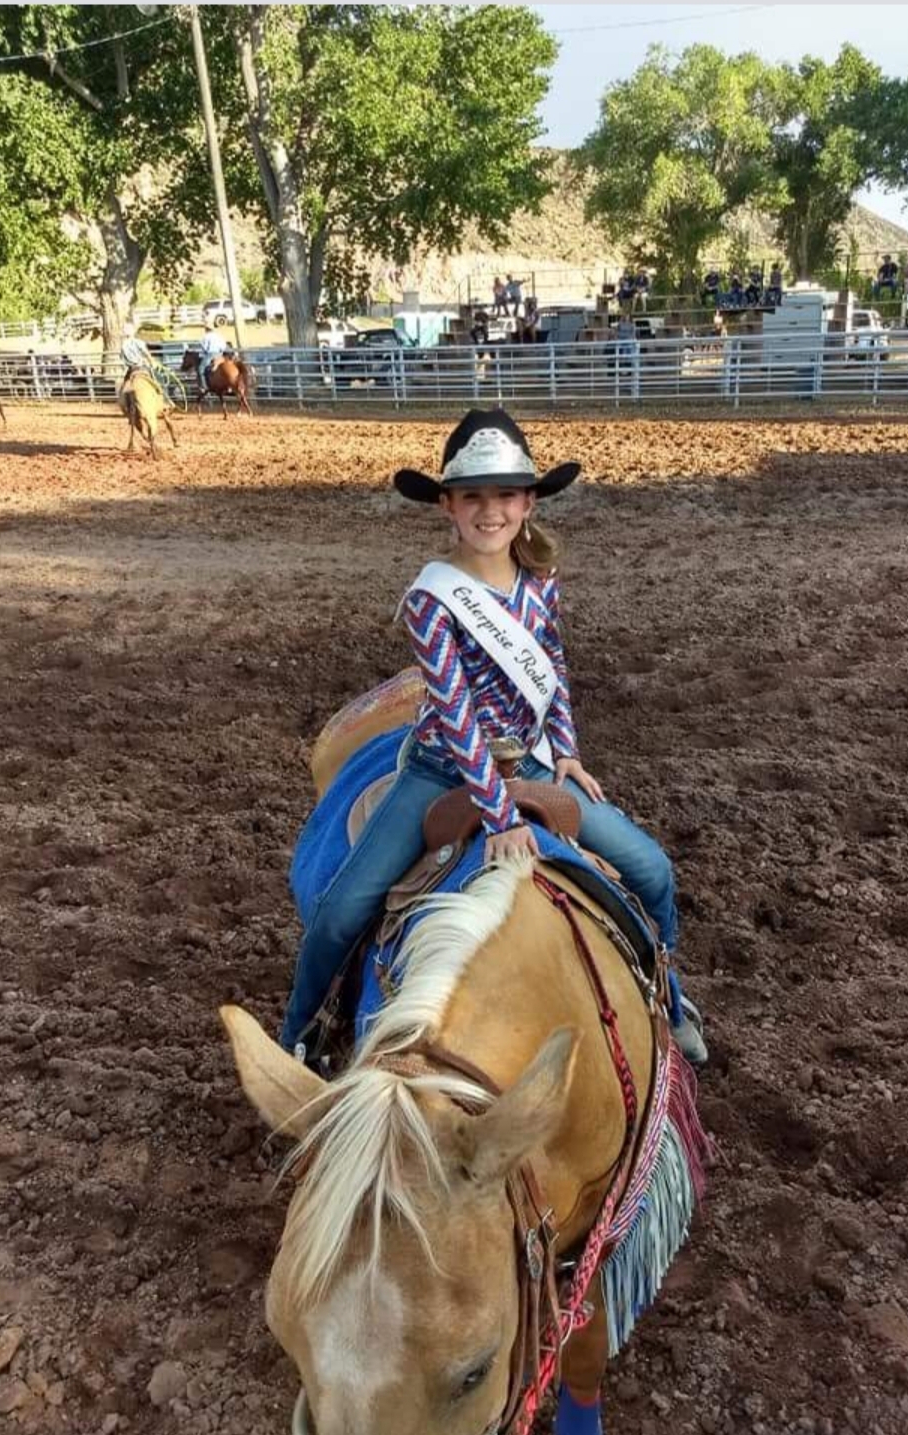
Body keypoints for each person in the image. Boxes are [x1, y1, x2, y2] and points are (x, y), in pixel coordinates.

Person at [281, 409, 708, 1066]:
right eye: (474, 496)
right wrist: (500, 813)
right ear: (447, 506)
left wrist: (565, 751)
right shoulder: (430, 600)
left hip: (533, 759)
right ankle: (297, 1040)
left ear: (528, 502)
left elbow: (554, 667)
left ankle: (669, 999)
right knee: (341, 913)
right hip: (441, 769)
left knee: (651, 867)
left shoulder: (539, 583)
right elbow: (453, 713)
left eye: (506, 494)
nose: (491, 511)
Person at [198, 317, 229, 391]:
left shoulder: (206, 337)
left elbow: (204, 347)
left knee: (201, 369)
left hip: (211, 355)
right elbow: (224, 346)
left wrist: (206, 352)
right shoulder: (219, 336)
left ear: (206, 329)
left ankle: (204, 387)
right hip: (220, 355)